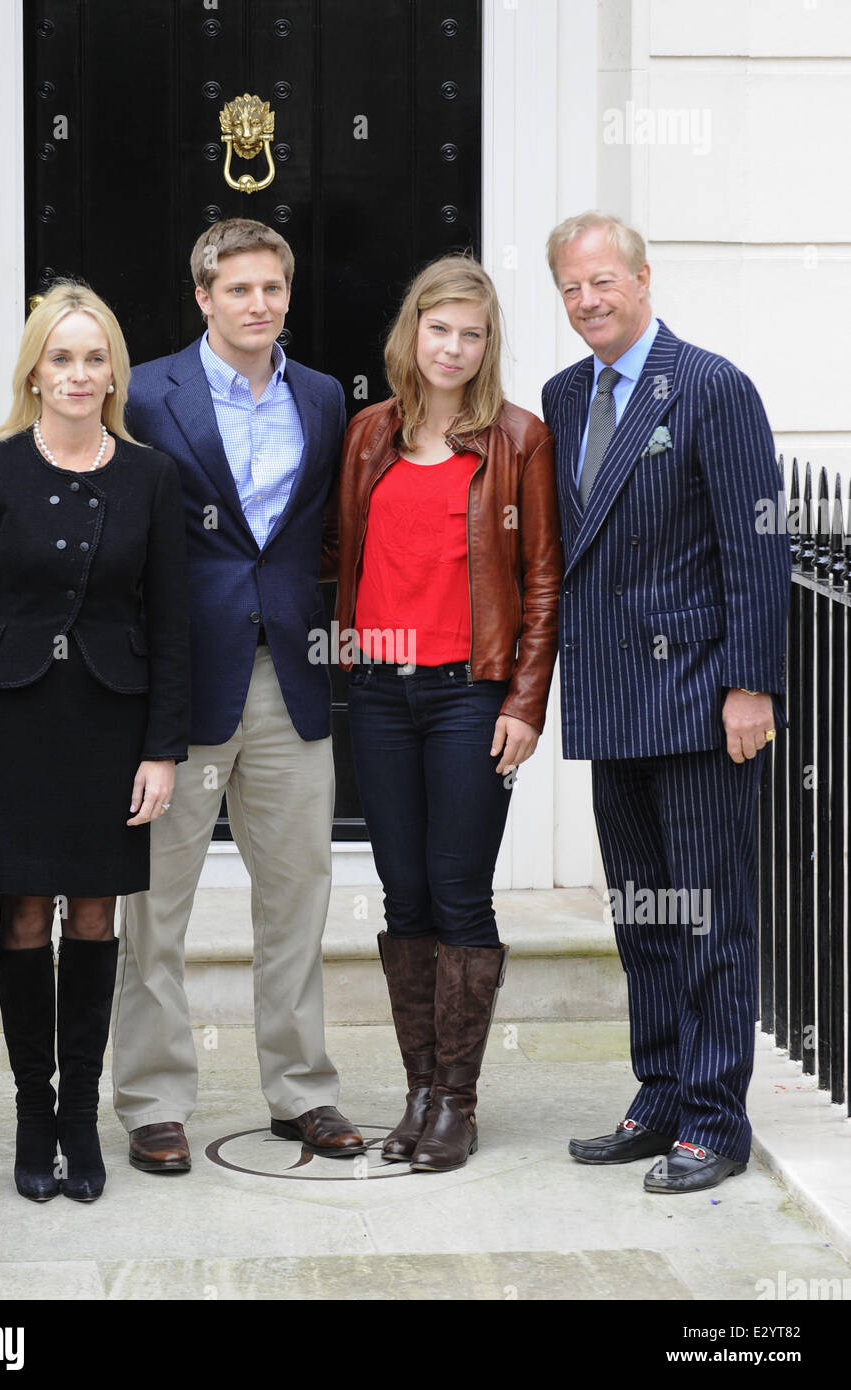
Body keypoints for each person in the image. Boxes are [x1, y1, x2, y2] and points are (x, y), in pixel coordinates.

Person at [542, 211, 790, 1193]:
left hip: (697, 700)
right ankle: (660, 1091)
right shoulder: (565, 398)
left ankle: (716, 1118)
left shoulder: (712, 386)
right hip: (612, 696)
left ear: (644, 280)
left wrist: (751, 685)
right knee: (643, 912)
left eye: (604, 280)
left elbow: (756, 546)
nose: (589, 300)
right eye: (571, 287)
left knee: (710, 916)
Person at [111, 218, 363, 1171]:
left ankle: (303, 1092)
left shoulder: (325, 397)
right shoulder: (145, 394)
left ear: (288, 296)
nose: (259, 305)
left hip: (290, 679)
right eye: (240, 290)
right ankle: (153, 1101)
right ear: (204, 298)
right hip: (177, 687)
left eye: (273, 289)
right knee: (156, 904)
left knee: (298, 898)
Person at [0, 281, 190, 1204]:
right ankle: (31, 1114)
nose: (79, 373)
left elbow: (170, 625)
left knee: (94, 915)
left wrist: (163, 750)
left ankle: (80, 1116)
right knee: (26, 915)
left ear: (114, 371)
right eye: (61, 356)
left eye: (94, 356)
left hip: (113, 728)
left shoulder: (152, 477)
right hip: (15, 724)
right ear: (35, 371)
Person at [336, 255, 563, 1172]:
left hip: (472, 695)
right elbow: (337, 554)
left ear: (488, 344)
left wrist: (526, 703)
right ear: (412, 333)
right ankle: (419, 1092)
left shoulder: (519, 439)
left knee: (460, 892)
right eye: (440, 329)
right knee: (404, 895)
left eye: (472, 334)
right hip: (382, 698)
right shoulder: (367, 436)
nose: (454, 348)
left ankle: (458, 1104)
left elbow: (543, 577)